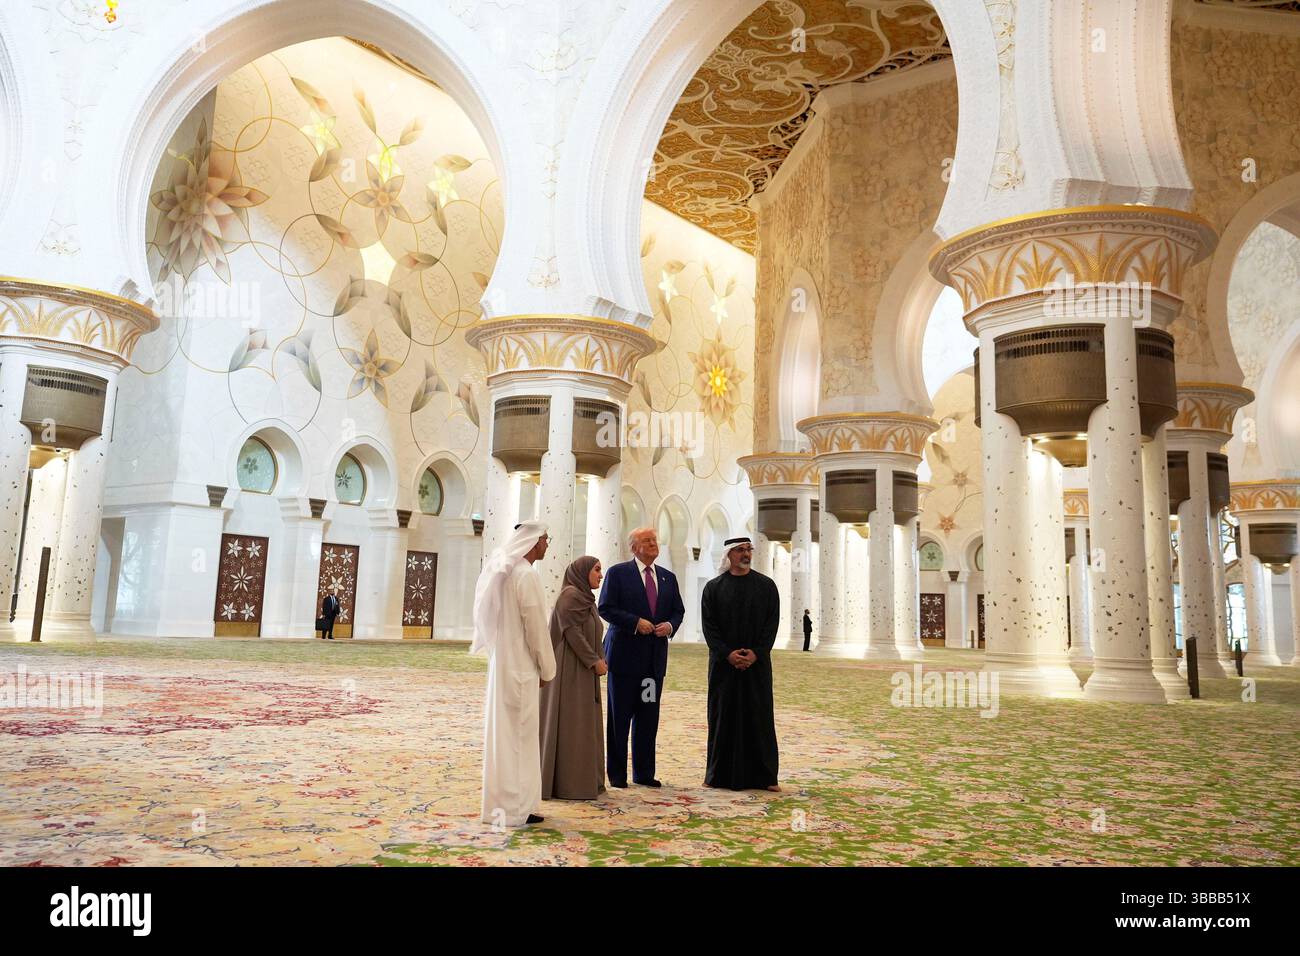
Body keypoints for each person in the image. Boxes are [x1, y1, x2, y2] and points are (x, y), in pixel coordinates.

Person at [471, 521, 557, 827]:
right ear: (533, 542)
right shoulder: (526, 575)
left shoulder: (505, 572)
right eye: (546, 539)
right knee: (519, 737)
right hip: (521, 668)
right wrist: (548, 667)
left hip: (503, 665)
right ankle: (516, 809)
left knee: (506, 738)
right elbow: (536, 628)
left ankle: (511, 805)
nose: (548, 544)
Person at [597, 527, 685, 788]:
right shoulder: (618, 573)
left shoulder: (668, 578)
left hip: (652, 667)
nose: (653, 544)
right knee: (619, 719)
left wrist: (669, 626)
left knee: (648, 718)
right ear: (634, 547)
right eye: (647, 541)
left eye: (655, 540)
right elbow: (606, 607)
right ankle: (617, 775)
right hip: (624, 662)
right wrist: (635, 623)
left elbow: (678, 611)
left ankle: (644, 773)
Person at [700, 535, 780, 792]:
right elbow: (709, 629)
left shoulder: (766, 586)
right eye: (740, 550)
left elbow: (771, 625)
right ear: (728, 555)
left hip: (757, 666)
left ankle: (765, 777)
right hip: (724, 667)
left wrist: (756, 653)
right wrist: (728, 654)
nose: (746, 554)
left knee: (759, 716)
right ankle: (717, 775)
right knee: (723, 716)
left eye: (748, 550)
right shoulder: (713, 588)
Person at [539, 556, 608, 800]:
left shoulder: (585, 598)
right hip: (570, 671)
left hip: (582, 669)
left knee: (581, 724)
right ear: (582, 572)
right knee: (572, 724)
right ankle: (569, 784)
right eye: (597, 570)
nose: (601, 574)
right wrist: (594, 660)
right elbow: (573, 634)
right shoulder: (570, 597)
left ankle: (582, 780)